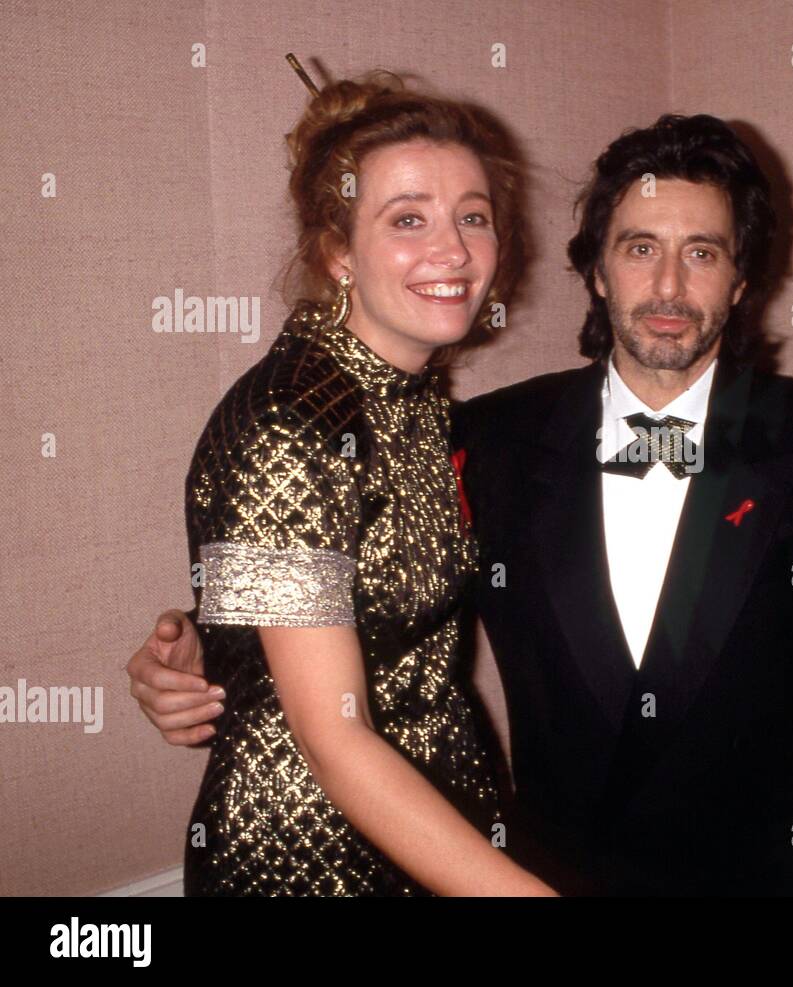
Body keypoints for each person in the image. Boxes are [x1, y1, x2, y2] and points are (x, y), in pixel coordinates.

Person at [131, 111, 793, 896]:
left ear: (742, 282)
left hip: (765, 873)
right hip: (543, 870)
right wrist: (206, 652)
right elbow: (367, 585)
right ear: (596, 271)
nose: (670, 288)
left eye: (703, 253)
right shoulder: (486, 438)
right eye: (640, 249)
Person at [162, 67, 553, 896]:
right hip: (310, 858)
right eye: (407, 218)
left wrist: (200, 633)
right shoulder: (291, 418)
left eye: (472, 217)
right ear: (337, 251)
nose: (453, 251)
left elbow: (297, 590)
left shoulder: (413, 400)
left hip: (433, 827)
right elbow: (331, 737)